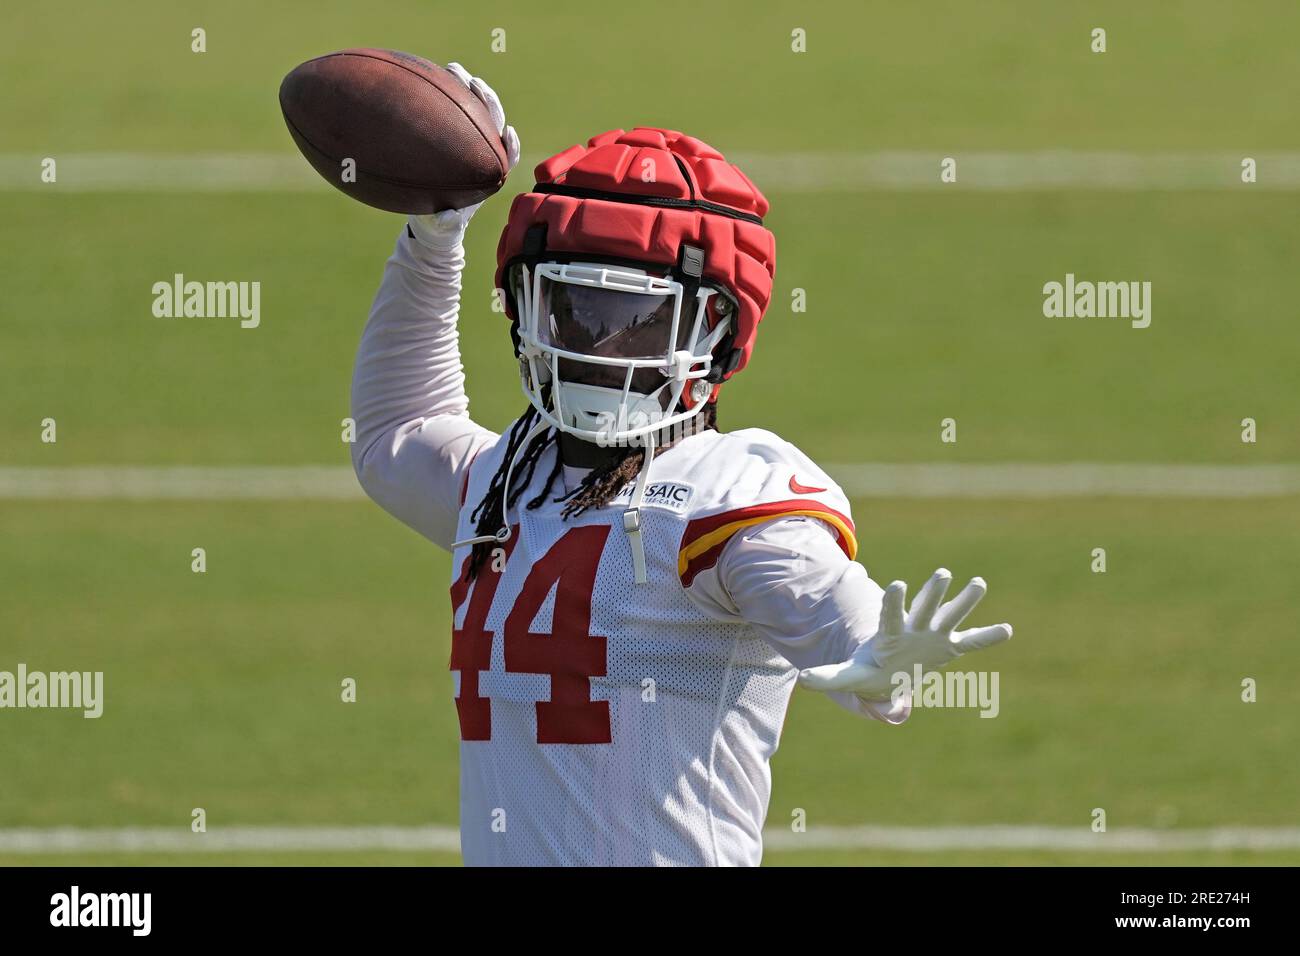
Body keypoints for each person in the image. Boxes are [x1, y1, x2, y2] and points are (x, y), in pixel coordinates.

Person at [350, 63, 1013, 866]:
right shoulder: (509, 481)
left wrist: (877, 662)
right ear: (525, 303)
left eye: (634, 318)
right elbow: (398, 430)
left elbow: (841, 623)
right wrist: (435, 235)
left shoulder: (724, 497)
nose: (595, 341)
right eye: (573, 307)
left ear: (714, 332)